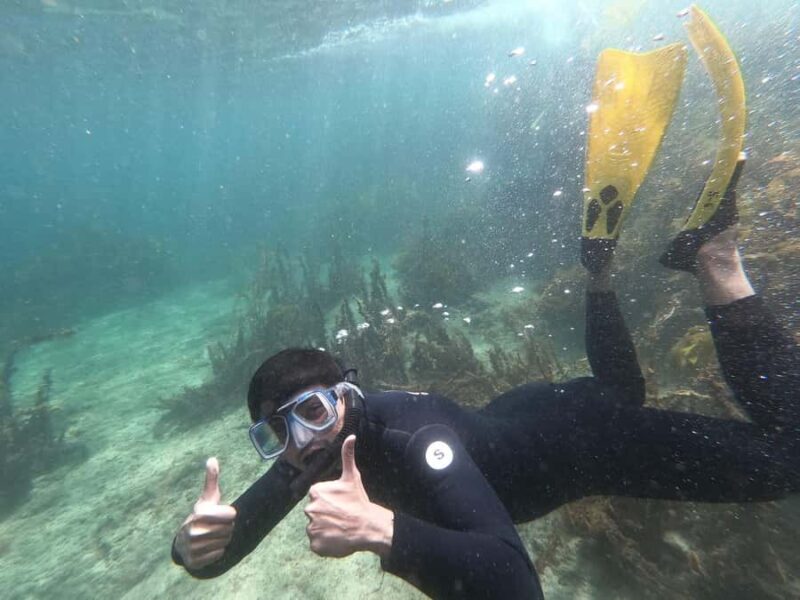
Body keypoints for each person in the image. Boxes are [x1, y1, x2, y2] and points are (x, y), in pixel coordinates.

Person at [173, 10, 799, 598]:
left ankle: (713, 256)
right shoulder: (315, 449)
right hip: (522, 422)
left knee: (789, 457)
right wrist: (191, 548)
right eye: (275, 431)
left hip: (585, 444)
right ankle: (598, 273)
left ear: (347, 394)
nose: (298, 443)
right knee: (624, 386)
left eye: (308, 411)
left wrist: (380, 531)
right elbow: (220, 552)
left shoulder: (416, 440)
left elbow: (516, 583)